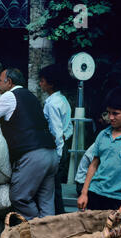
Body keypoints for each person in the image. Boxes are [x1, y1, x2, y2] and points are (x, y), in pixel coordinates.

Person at [0, 67, 59, 220]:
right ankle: (48, 235)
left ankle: (37, 228)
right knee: (46, 201)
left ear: (8, 82)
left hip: (33, 155)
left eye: (0, 81)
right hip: (50, 153)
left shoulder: (9, 96)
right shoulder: (31, 96)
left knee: (19, 197)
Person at [77, 86, 121, 214]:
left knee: (114, 233)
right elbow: (93, 164)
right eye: (108, 112)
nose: (110, 117)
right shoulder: (103, 134)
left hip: (118, 198)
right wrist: (84, 193)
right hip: (95, 193)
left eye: (115, 113)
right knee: (93, 233)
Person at [39, 64, 73, 214]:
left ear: (50, 83)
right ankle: (60, 216)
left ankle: (59, 217)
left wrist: (57, 156)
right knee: (55, 187)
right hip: (62, 146)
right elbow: (69, 128)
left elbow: (56, 132)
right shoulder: (62, 100)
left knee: (52, 188)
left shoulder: (52, 104)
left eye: (42, 81)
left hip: (56, 149)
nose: (40, 83)